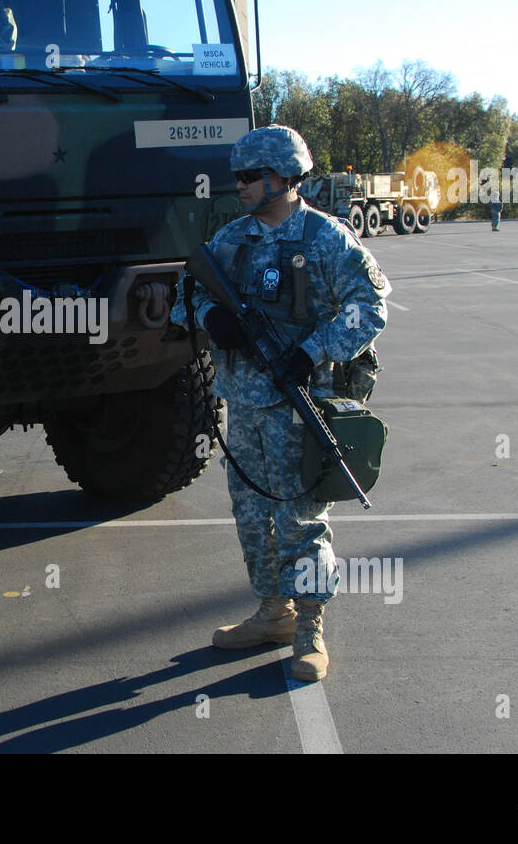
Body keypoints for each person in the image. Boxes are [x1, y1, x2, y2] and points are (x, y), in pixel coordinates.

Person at [171, 125, 391, 682]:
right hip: (244, 404)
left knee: (301, 522)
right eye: (238, 177)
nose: (239, 186)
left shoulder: (325, 239)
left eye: (249, 177)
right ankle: (273, 613)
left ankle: (310, 628)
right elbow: (187, 294)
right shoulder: (231, 240)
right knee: (251, 517)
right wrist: (209, 318)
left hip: (302, 404)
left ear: (281, 178)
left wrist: (312, 351)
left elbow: (372, 306)